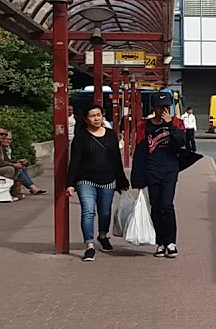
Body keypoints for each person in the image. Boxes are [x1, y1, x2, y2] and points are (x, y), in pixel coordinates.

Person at [65, 105, 129, 262]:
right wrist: (71, 183)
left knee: (105, 212)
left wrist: (121, 180)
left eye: (98, 115)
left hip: (107, 179)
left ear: (103, 116)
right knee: (88, 211)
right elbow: (75, 161)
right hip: (85, 180)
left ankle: (102, 235)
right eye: (92, 116)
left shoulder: (111, 135)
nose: (96, 118)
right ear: (86, 119)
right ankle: (89, 245)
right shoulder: (81, 137)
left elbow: (116, 160)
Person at [130, 91, 187, 258]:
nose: (162, 110)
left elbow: (180, 144)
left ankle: (171, 242)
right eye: (159, 107)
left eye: (165, 107)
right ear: (153, 108)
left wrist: (170, 125)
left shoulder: (177, 123)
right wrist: (137, 178)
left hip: (170, 169)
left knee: (167, 204)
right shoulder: (143, 126)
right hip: (152, 169)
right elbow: (140, 153)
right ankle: (160, 242)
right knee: (155, 206)